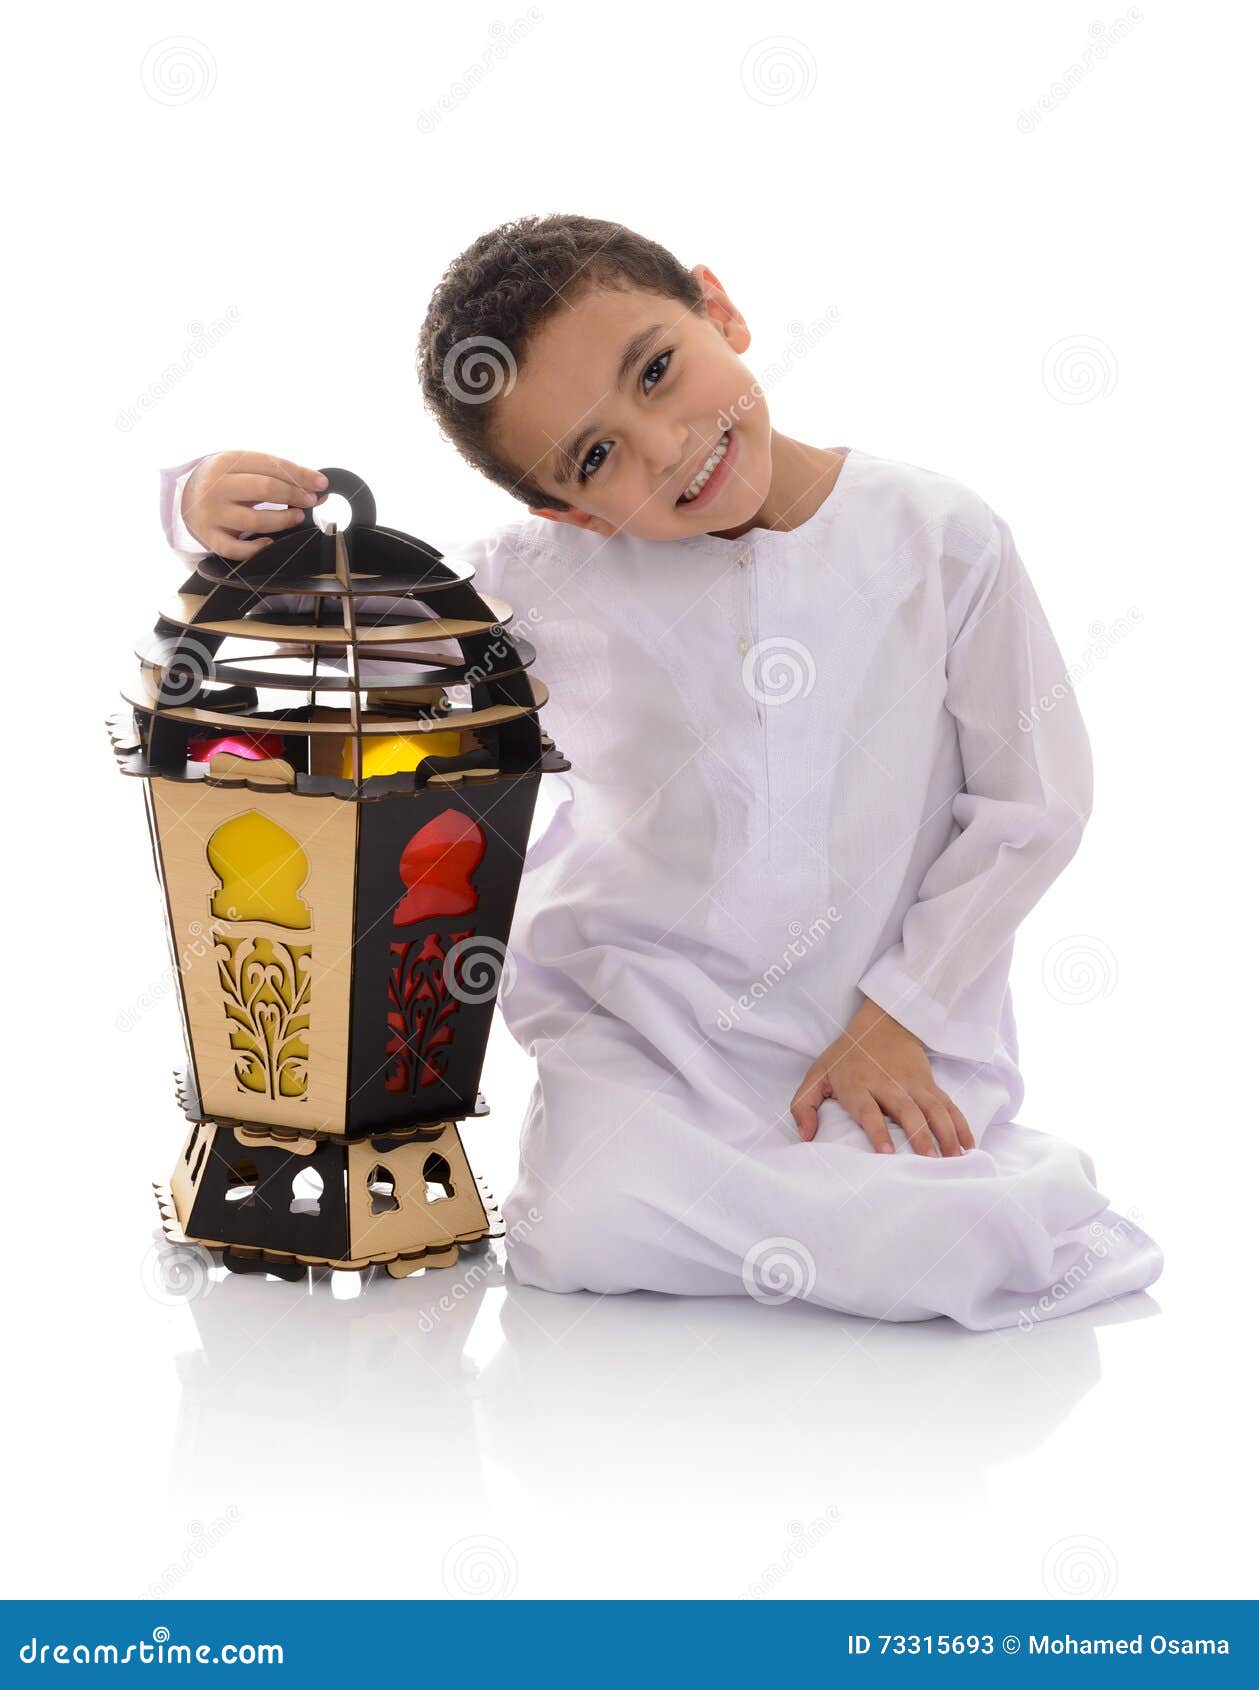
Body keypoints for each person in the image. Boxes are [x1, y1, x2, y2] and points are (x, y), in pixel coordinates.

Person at [158, 213, 1163, 1330]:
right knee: (575, 1225)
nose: (665, 446)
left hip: (883, 1035)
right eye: (595, 458)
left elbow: (1033, 804)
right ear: (560, 507)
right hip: (649, 1038)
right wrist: (201, 506)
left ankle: (896, 1210)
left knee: (949, 1238)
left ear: (716, 307)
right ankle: (791, 1208)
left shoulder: (939, 537)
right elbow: (357, 646)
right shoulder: (534, 586)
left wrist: (901, 1011)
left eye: (656, 370)